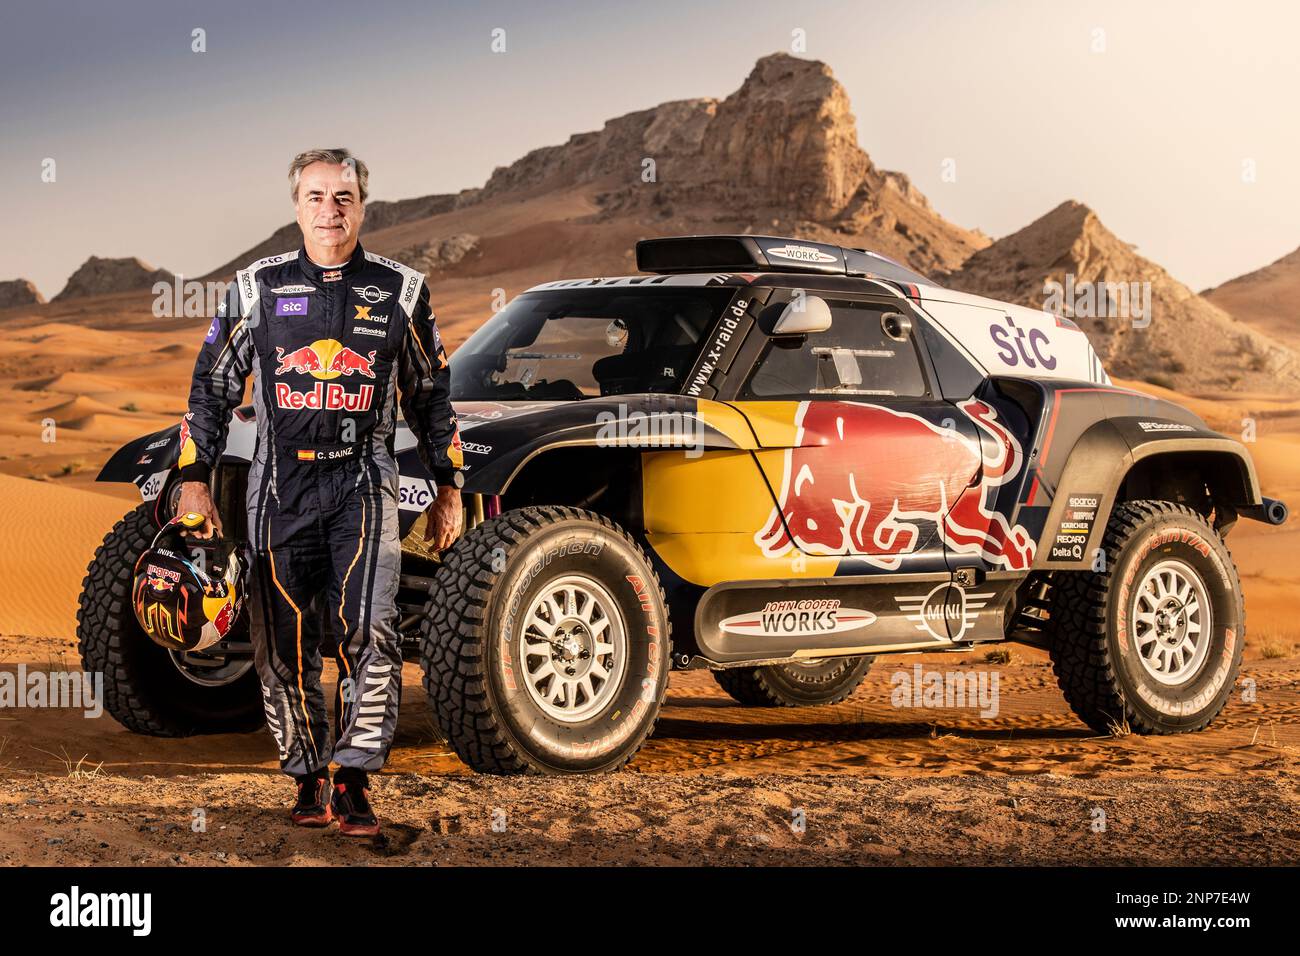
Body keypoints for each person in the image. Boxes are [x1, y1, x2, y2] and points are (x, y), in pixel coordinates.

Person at [176, 148, 464, 836]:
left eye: (343, 196)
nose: (329, 210)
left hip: (364, 478)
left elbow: (431, 395)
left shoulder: (401, 290)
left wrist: (450, 484)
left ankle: (355, 777)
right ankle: (307, 777)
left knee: (372, 628)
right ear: (295, 205)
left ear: (363, 205)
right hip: (279, 486)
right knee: (282, 640)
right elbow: (211, 388)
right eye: (315, 196)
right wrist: (194, 478)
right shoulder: (256, 288)